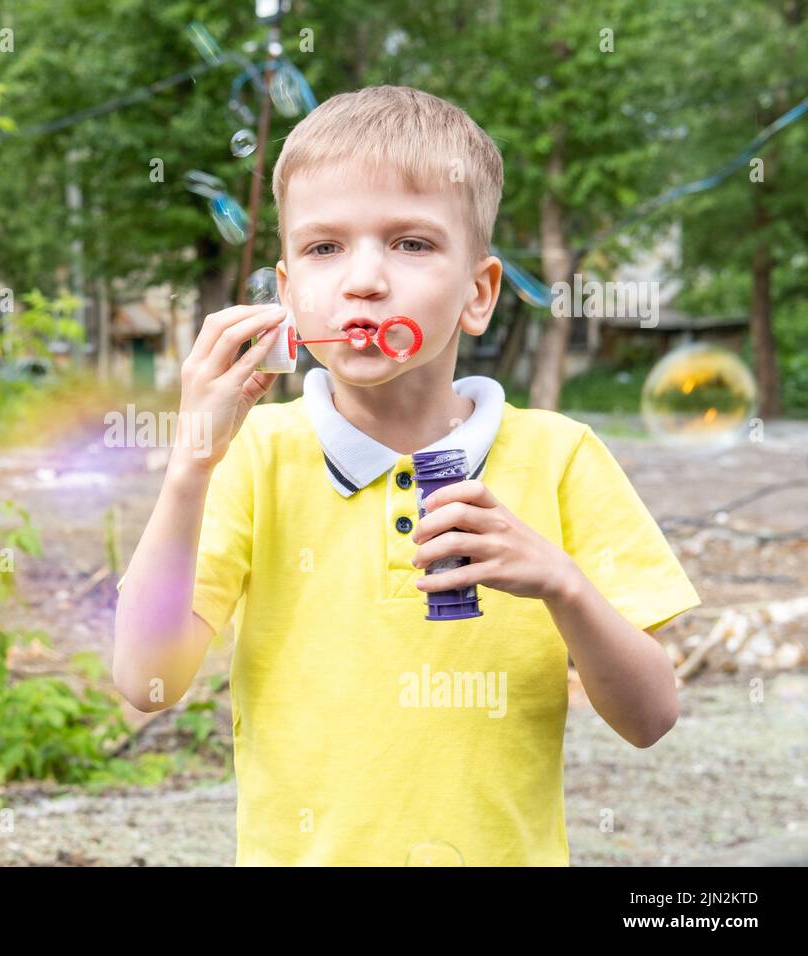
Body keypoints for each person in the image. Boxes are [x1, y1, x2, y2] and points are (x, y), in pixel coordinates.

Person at [112, 85, 701, 866]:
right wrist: (191, 463)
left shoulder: (560, 457)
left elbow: (650, 717)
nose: (363, 280)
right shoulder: (253, 457)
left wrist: (563, 583)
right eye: (325, 248)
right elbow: (146, 682)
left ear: (478, 293)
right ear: (287, 295)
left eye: (411, 244)